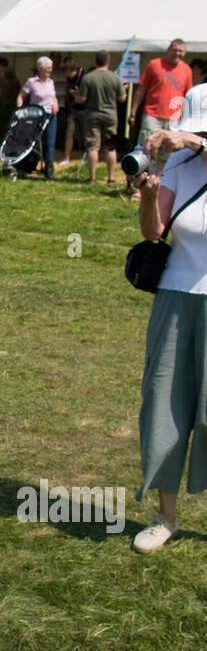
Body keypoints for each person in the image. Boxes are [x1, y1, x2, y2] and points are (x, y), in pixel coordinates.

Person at [131, 84, 207, 553]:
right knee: (163, 401)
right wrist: (148, 194)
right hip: (176, 294)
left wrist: (190, 140)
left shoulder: (190, 148)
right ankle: (165, 516)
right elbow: (154, 231)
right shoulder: (179, 164)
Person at [129, 39, 192, 148]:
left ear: (185, 53)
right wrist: (133, 111)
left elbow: (188, 97)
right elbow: (141, 90)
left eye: (181, 51)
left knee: (167, 153)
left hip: (174, 120)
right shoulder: (154, 64)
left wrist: (187, 120)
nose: (177, 53)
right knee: (146, 149)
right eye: (175, 50)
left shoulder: (187, 70)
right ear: (168, 50)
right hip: (152, 116)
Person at [76, 51, 125, 185]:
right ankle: (111, 178)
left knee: (92, 147)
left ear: (95, 61)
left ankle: (92, 177)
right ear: (108, 61)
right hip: (110, 116)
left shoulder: (88, 78)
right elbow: (122, 98)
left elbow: (82, 99)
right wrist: (123, 91)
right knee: (111, 147)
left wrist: (76, 95)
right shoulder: (115, 77)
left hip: (92, 115)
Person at [17, 57, 59, 180]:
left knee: (49, 142)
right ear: (40, 69)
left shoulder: (51, 82)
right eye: (48, 68)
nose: (50, 70)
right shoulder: (31, 82)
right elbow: (21, 96)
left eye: (51, 68)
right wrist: (20, 111)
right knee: (33, 142)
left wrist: (56, 103)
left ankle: (49, 168)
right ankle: (31, 167)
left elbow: (53, 97)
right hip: (36, 117)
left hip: (50, 116)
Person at [59, 61, 86, 168]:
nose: (65, 75)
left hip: (85, 110)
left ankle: (87, 158)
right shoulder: (70, 79)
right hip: (74, 109)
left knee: (87, 135)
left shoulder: (84, 77)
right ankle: (67, 158)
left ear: (72, 70)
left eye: (66, 72)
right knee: (69, 133)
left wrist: (77, 95)